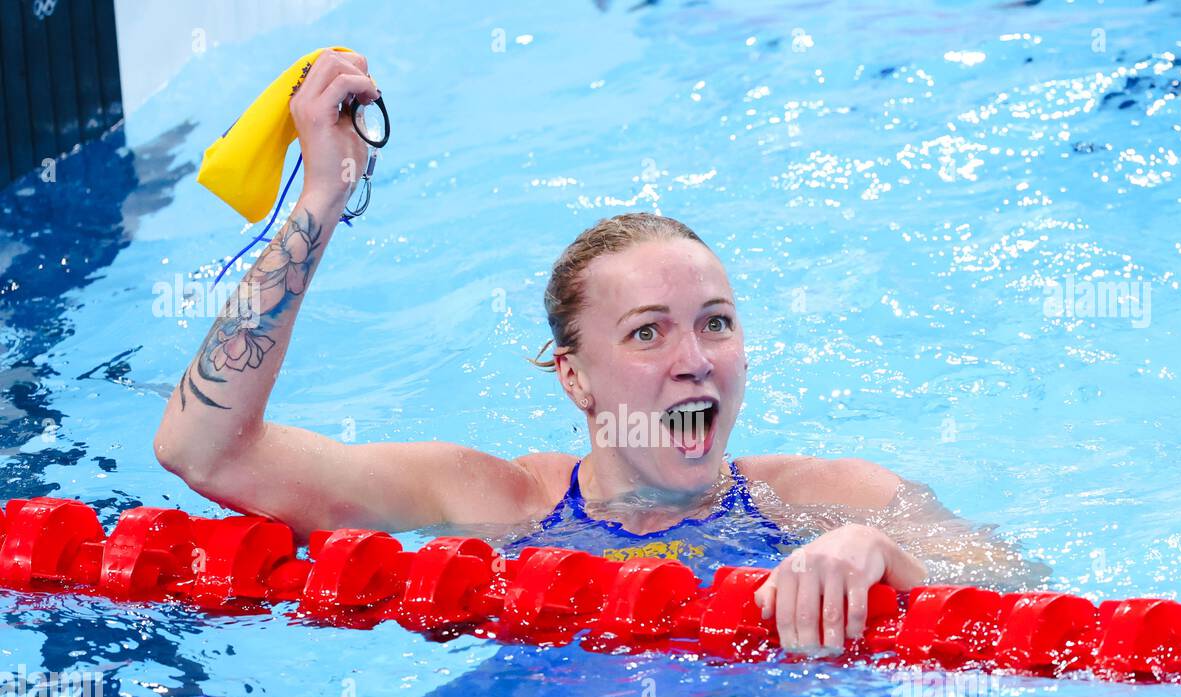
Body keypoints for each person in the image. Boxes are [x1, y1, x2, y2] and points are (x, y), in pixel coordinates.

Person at [153, 49, 1044, 656]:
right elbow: (205, 449)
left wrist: (884, 558)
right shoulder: (492, 501)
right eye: (648, 331)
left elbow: (1033, 603)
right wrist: (320, 197)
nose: (695, 358)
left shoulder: (835, 500)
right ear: (574, 376)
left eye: (717, 322)